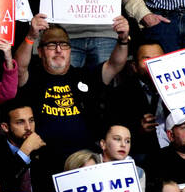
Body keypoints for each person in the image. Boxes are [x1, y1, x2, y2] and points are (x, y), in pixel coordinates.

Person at [14, 19, 130, 173]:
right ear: (40, 51)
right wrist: (30, 37)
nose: (58, 50)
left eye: (63, 45)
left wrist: (123, 40)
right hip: (46, 162)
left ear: (70, 50)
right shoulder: (33, 78)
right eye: (51, 45)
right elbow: (19, 68)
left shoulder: (84, 75)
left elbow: (114, 65)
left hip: (85, 162)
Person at [0, 99, 45, 192]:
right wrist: (24, 152)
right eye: (20, 122)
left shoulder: (42, 144)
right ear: (5, 127)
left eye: (31, 120)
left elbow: (52, 184)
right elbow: (4, 185)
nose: (28, 127)